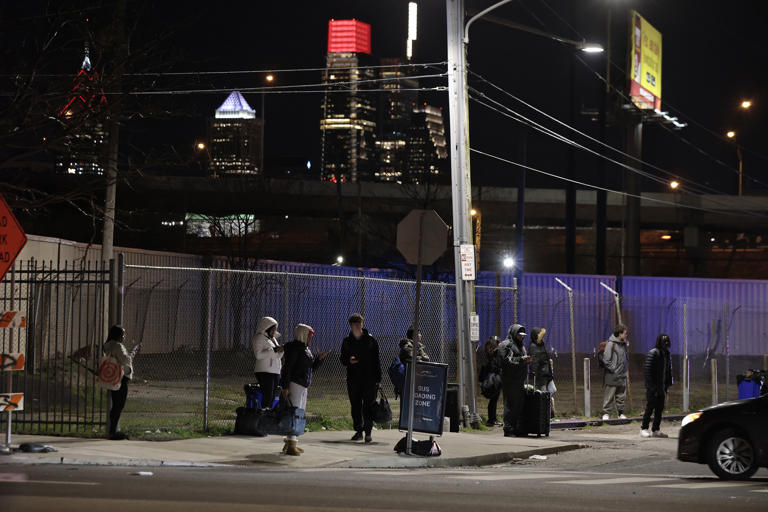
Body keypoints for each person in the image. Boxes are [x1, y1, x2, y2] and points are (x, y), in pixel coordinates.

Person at [280, 324, 330, 455]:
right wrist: (285, 386)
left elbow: (310, 368)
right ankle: (291, 444)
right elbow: (287, 368)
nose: (310, 339)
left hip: (303, 384)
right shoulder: (295, 348)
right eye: (309, 336)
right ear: (302, 335)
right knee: (294, 413)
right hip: (295, 383)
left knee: (299, 413)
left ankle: (291, 442)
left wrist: (319, 359)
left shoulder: (305, 349)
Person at [340, 313, 382, 443]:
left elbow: (376, 360)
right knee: (356, 405)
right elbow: (342, 359)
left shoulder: (370, 340)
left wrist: (378, 379)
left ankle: (368, 432)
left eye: (360, 323)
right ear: (351, 325)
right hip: (354, 379)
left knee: (368, 405)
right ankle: (359, 431)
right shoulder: (347, 341)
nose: (358, 326)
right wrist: (349, 360)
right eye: (356, 323)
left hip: (369, 379)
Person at [103, 325, 141, 440]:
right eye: (123, 334)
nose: (124, 336)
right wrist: (134, 351)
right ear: (118, 335)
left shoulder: (107, 345)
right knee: (119, 405)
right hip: (121, 377)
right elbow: (126, 360)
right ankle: (113, 432)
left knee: (116, 404)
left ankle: (112, 431)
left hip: (111, 375)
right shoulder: (118, 346)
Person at [496, 324, 531, 437]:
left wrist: (526, 361)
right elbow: (506, 361)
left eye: (522, 335)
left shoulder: (519, 345)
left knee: (518, 405)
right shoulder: (507, 345)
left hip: (518, 380)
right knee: (510, 405)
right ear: (514, 333)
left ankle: (515, 428)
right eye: (519, 335)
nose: (521, 337)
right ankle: (508, 429)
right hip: (510, 380)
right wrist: (521, 360)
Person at [641, 333, 673, 438]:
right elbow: (648, 372)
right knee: (650, 408)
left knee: (659, 409)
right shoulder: (653, 353)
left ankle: (656, 429)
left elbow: (668, 370)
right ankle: (644, 428)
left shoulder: (666, 354)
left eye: (667, 341)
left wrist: (668, 384)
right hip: (653, 387)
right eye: (664, 341)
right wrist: (651, 387)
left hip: (662, 387)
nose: (666, 343)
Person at [252, 316, 283, 409]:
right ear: (267, 327)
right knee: (267, 395)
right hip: (265, 371)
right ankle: (263, 413)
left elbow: (277, 356)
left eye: (275, 329)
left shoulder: (273, 339)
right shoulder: (258, 338)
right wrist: (274, 350)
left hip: (275, 371)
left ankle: (268, 413)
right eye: (273, 329)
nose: (274, 331)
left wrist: (281, 350)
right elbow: (258, 355)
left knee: (273, 395)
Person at [601, 324, 630, 421]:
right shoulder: (611, 344)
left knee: (621, 396)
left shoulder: (623, 344)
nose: (626, 335)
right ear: (619, 334)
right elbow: (606, 360)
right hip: (612, 375)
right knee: (609, 396)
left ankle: (620, 413)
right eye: (625, 333)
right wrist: (614, 369)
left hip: (622, 375)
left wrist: (624, 371)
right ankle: (606, 413)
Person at [529, 327, 556, 418]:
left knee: (552, 390)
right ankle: (545, 415)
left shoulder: (541, 345)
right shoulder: (533, 346)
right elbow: (534, 362)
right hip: (541, 376)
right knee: (544, 395)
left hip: (547, 374)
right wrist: (535, 371)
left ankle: (548, 412)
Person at [478, 336, 502, 426]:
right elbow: (493, 367)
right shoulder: (493, 354)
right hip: (493, 380)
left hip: (493, 379)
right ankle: (491, 420)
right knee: (493, 400)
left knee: (494, 400)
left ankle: (493, 419)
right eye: (498, 343)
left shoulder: (491, 352)